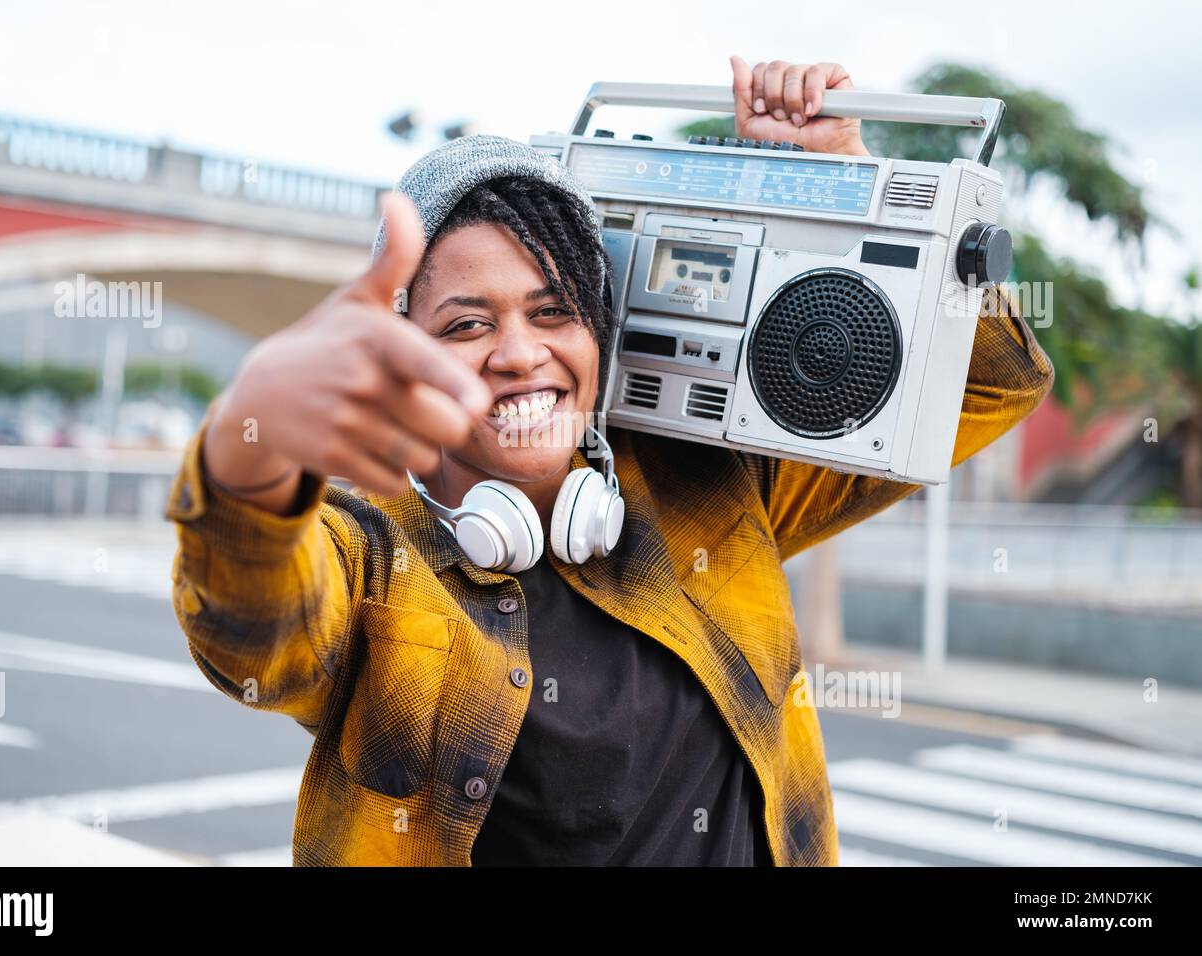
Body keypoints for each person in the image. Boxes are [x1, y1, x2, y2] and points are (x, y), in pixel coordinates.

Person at [164, 57, 1055, 866]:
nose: (520, 353)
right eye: (468, 325)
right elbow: (255, 623)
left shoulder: (708, 486)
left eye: (554, 311)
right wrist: (253, 445)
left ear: (599, 331)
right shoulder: (371, 553)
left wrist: (852, 194)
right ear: (405, 352)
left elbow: (988, 387)